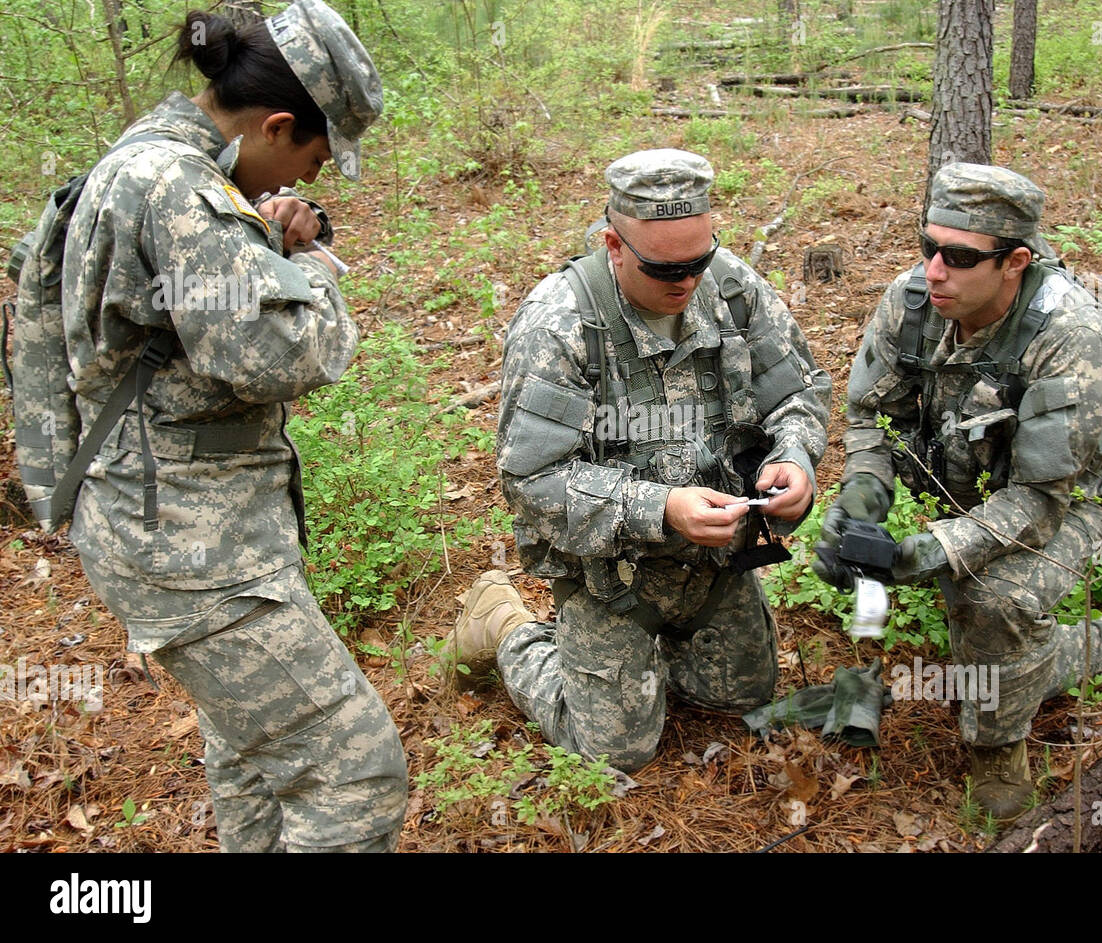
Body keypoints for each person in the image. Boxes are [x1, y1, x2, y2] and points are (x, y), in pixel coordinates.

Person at [60, 1, 406, 851]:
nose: (311, 181)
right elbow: (280, 352)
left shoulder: (156, 156)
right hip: (190, 547)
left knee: (256, 750)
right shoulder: (177, 187)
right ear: (277, 124)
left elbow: (189, 307)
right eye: (313, 158)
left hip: (179, 520)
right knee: (352, 772)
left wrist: (262, 241)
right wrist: (314, 267)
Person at [813, 162, 1102, 819]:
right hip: (967, 476)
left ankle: (999, 752)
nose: (934, 269)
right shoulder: (913, 301)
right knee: (995, 637)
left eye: (958, 255)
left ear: (1016, 262)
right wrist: (863, 501)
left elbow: (1038, 500)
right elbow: (872, 417)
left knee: (996, 602)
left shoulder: (1072, 335)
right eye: (927, 247)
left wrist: (913, 556)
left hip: (1071, 490)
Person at [449, 149, 831, 772]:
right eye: (663, 267)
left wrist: (795, 458)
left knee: (742, 699)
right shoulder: (560, 324)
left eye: (699, 260)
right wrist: (661, 507)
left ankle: (657, 654)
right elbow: (532, 480)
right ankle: (506, 625)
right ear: (614, 245)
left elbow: (798, 391)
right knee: (615, 753)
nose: (686, 282)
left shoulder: (732, 290)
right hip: (612, 576)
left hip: (716, 563)